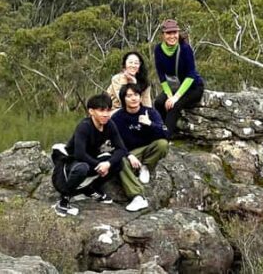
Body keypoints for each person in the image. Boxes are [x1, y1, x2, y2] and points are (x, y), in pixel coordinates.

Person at [51, 93, 127, 217]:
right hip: (70, 167)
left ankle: (90, 188)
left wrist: (108, 164)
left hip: (90, 162)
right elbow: (80, 154)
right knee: (82, 167)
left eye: (108, 110)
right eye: (101, 110)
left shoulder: (110, 125)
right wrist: (99, 166)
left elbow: (122, 149)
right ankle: (64, 200)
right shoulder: (84, 127)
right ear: (91, 111)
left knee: (118, 163)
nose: (106, 114)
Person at [111, 83, 170, 212]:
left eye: (136, 95)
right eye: (129, 96)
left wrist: (150, 124)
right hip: (131, 151)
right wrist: (128, 155)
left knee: (162, 144)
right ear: (123, 99)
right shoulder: (117, 118)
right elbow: (116, 142)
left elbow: (166, 134)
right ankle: (137, 196)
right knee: (119, 161)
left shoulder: (150, 112)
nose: (133, 98)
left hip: (149, 148)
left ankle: (146, 167)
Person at [153, 18, 205, 135]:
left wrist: (175, 97)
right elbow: (161, 74)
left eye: (175, 33)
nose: (172, 36)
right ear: (163, 35)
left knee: (174, 105)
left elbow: (191, 74)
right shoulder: (158, 50)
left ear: (178, 33)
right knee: (159, 102)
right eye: (169, 33)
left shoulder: (185, 49)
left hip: (193, 87)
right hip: (174, 86)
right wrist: (169, 95)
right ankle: (169, 129)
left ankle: (165, 136)